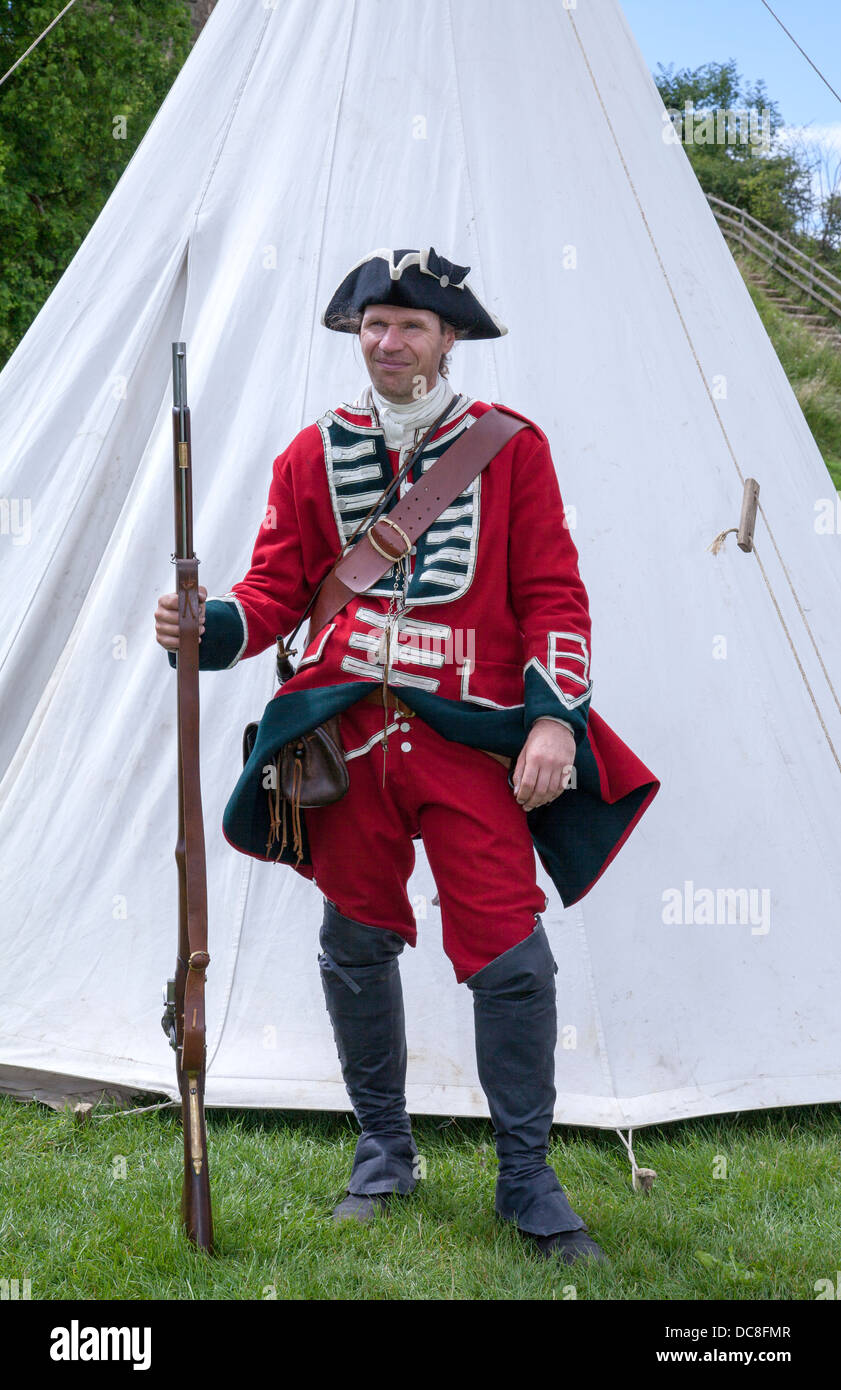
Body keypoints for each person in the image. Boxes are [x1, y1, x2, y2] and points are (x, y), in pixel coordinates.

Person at [155, 246, 660, 1266]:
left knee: (509, 954)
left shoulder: (509, 448)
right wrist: (205, 626)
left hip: (466, 739)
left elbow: (553, 595)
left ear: (449, 340)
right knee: (354, 940)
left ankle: (526, 1176)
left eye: (412, 327)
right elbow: (273, 594)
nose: (389, 343)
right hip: (343, 742)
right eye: (375, 324)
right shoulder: (310, 453)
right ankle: (383, 1153)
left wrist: (555, 719)